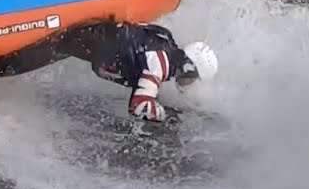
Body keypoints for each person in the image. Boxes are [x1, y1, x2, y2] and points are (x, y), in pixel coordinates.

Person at [53, 20, 218, 123]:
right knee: (57, 42)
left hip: (95, 32)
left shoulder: (165, 40)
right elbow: (138, 107)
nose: (191, 83)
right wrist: (167, 116)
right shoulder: (160, 64)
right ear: (188, 68)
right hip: (84, 40)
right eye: (194, 78)